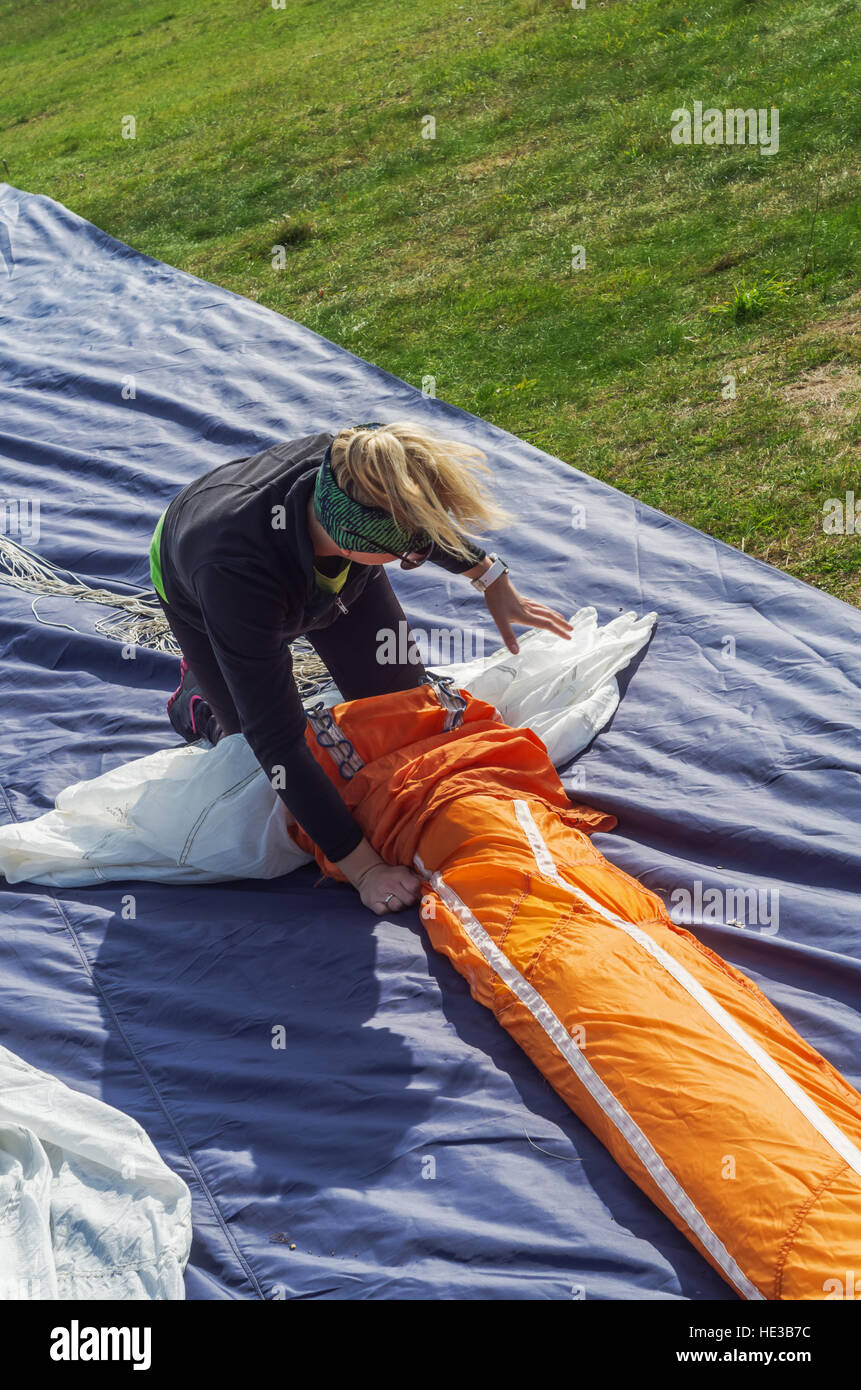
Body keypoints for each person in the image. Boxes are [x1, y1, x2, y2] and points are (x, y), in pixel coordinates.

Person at [149, 421, 573, 915]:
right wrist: (364, 868)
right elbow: (279, 745)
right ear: (353, 537)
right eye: (405, 558)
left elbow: (414, 521)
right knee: (248, 754)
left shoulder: (361, 465)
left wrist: (489, 574)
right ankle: (199, 698)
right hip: (204, 582)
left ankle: (285, 636)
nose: (413, 561)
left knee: (398, 705)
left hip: (332, 567)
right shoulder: (231, 570)